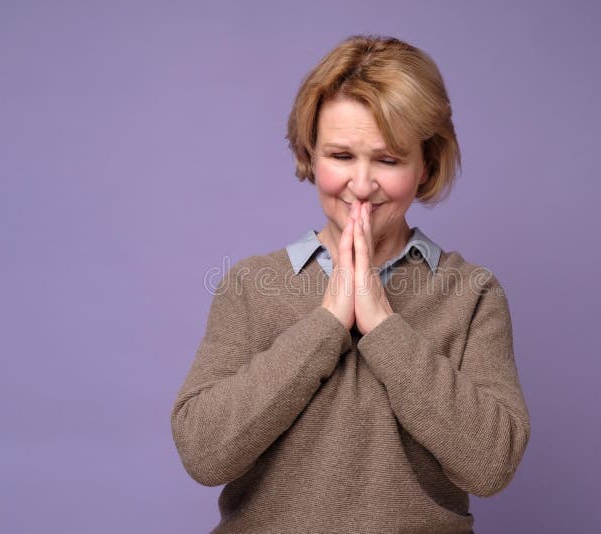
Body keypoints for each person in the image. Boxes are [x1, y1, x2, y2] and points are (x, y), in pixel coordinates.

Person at [171, 34, 531, 534]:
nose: (361, 186)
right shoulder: (251, 285)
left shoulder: (472, 294)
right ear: (309, 155)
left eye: (388, 160)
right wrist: (326, 325)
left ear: (425, 163)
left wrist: (382, 324)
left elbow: (490, 465)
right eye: (341, 155)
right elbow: (204, 454)